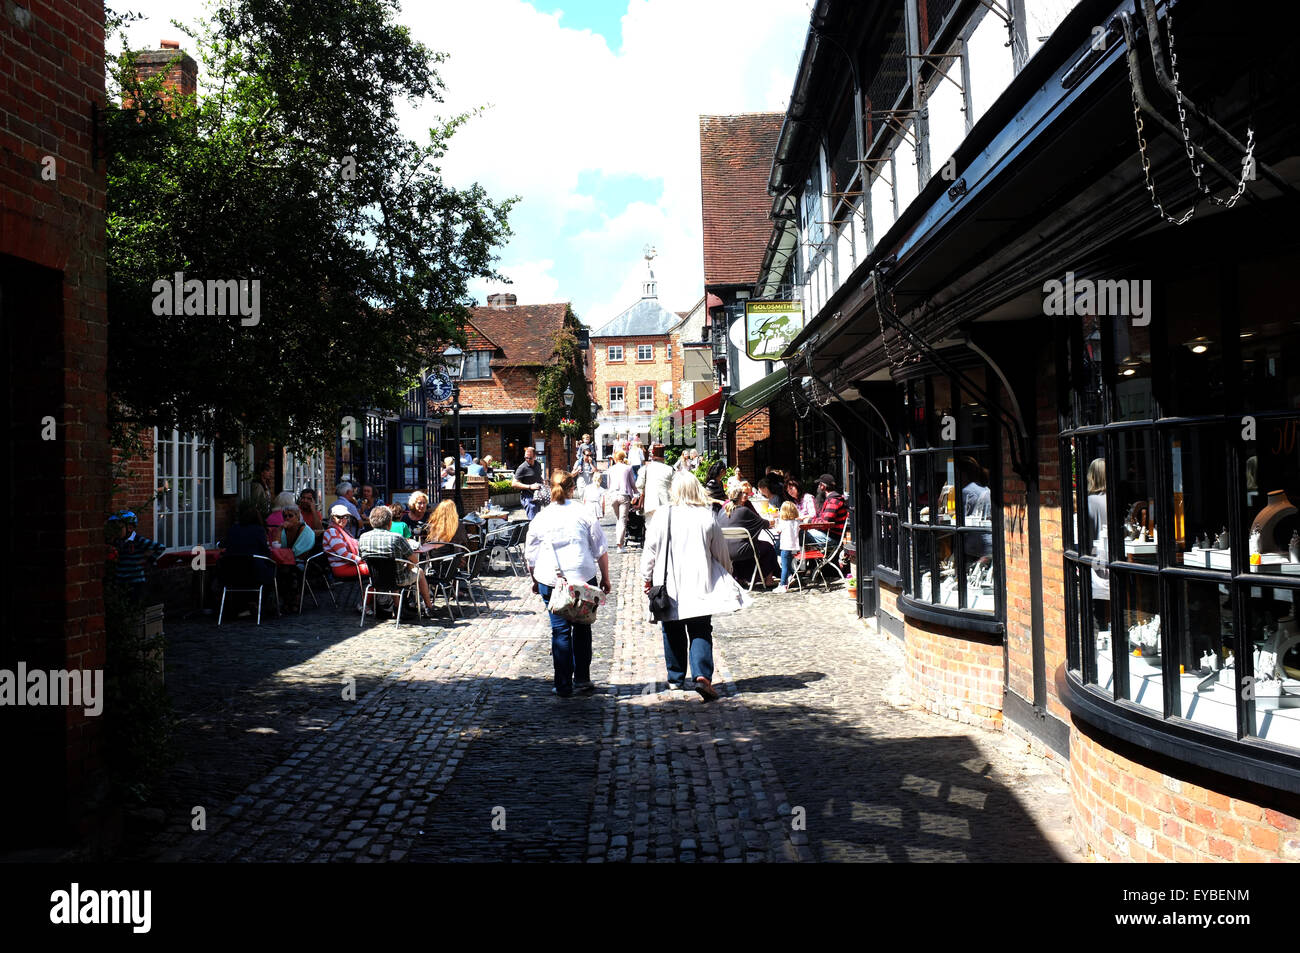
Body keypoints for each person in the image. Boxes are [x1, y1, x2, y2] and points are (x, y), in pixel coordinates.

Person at [640, 471, 750, 700]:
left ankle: (675, 677)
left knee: (672, 628)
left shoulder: (662, 515)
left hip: (669, 582)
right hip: (701, 581)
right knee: (700, 629)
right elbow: (721, 552)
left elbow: (649, 551)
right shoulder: (706, 517)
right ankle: (701, 676)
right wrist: (727, 573)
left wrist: (646, 577)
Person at [525, 470, 611, 698]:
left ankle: (563, 684)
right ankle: (582, 678)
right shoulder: (584, 513)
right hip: (583, 577)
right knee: (582, 628)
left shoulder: (541, 517)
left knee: (560, 630)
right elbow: (600, 549)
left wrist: (534, 580)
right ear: (572, 488)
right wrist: (606, 577)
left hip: (552, 579)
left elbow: (530, 555)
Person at [359, 505, 434, 617]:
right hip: (397, 580)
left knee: (394, 569)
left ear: (371, 522)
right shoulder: (396, 538)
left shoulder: (363, 537)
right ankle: (429, 607)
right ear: (390, 523)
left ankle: (398, 607)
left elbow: (362, 556)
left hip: (376, 580)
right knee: (419, 572)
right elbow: (414, 560)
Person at [716, 485, 780, 588]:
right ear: (740, 496)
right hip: (742, 551)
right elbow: (763, 523)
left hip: (724, 551)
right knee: (767, 547)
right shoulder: (743, 510)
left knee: (749, 546)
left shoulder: (721, 511)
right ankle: (768, 579)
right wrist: (771, 522)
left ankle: (741, 577)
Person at [110, 511, 166, 603]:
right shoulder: (118, 541)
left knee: (134, 604)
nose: (116, 531)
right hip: (121, 581)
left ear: (130, 528)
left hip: (135, 581)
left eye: (119, 528)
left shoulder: (139, 540)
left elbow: (160, 547)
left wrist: (148, 559)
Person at [323, 504, 369, 606]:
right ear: (332, 517)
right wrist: (362, 560)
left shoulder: (342, 531)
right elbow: (343, 554)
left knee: (378, 569)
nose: (343, 519)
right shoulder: (332, 532)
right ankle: (365, 604)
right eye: (339, 517)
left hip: (349, 564)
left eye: (346, 517)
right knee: (376, 570)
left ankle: (372, 602)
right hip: (341, 568)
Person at [278, 503, 315, 610]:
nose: (287, 518)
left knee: (286, 570)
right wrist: (279, 530)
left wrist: (283, 553)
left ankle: (293, 601)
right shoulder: (284, 530)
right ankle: (282, 600)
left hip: (302, 562)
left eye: (290, 515)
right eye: (285, 516)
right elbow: (277, 546)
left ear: (298, 516)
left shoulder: (306, 531)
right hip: (286, 561)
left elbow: (298, 553)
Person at [1087, 458, 1109, 631]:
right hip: (1113, 553)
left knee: (1097, 608)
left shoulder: (1091, 501)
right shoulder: (1112, 499)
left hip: (1097, 554)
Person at [424, 499, 473, 569]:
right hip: (455, 561)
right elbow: (465, 541)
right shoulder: (458, 525)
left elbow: (430, 543)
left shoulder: (433, 526)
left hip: (436, 561)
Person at [806, 473, 849, 547]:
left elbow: (825, 523)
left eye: (819, 485)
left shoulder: (833, 501)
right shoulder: (832, 499)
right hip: (828, 534)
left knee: (800, 535)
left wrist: (809, 521)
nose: (818, 487)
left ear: (823, 486)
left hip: (831, 537)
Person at [606, 449, 637, 551]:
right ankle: (620, 545)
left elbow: (608, 484)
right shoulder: (628, 468)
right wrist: (636, 493)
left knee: (619, 519)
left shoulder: (611, 469)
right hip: (624, 495)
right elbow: (632, 483)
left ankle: (619, 542)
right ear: (623, 458)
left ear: (615, 458)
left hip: (613, 495)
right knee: (622, 521)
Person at [635, 443, 674, 523]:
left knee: (650, 529)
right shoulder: (669, 469)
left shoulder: (645, 469)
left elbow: (638, 485)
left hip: (650, 504)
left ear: (652, 457)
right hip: (665, 504)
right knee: (664, 529)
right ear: (663, 458)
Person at [774, 501, 802, 593]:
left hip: (785, 546)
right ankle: (789, 578)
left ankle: (783, 584)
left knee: (784, 566)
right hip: (793, 547)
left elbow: (777, 531)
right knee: (788, 565)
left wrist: (776, 523)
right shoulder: (796, 522)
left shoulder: (783, 522)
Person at [512, 445, 545, 519]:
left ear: (534, 457)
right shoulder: (522, 468)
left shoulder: (538, 465)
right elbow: (514, 483)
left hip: (537, 496)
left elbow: (538, 476)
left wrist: (542, 481)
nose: (527, 459)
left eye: (529, 458)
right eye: (525, 457)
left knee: (537, 519)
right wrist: (530, 486)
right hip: (528, 497)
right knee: (532, 520)